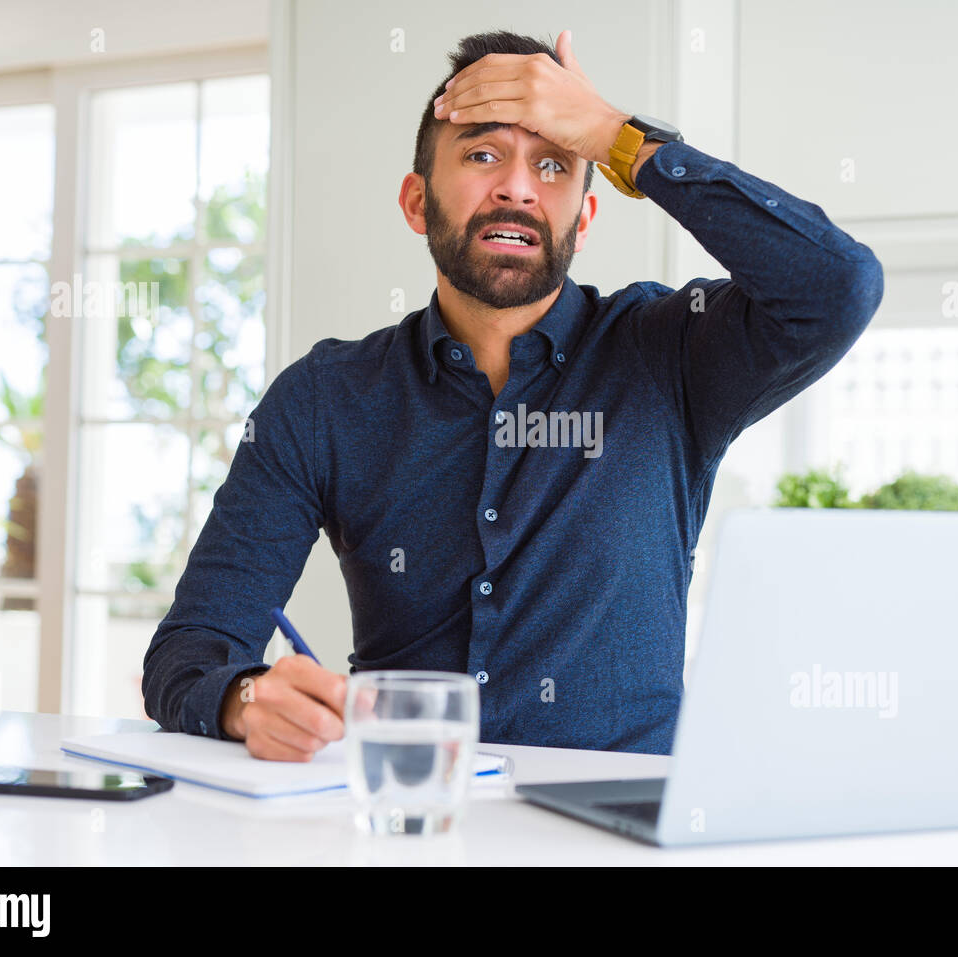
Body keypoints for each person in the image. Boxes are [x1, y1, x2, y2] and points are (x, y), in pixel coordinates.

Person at [142, 29, 884, 760]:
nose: (518, 187)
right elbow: (188, 652)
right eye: (483, 155)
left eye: (556, 164)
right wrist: (245, 700)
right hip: (411, 822)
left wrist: (615, 135)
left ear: (584, 219)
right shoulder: (322, 399)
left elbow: (837, 286)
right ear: (416, 202)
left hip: (616, 839)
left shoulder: (672, 354)